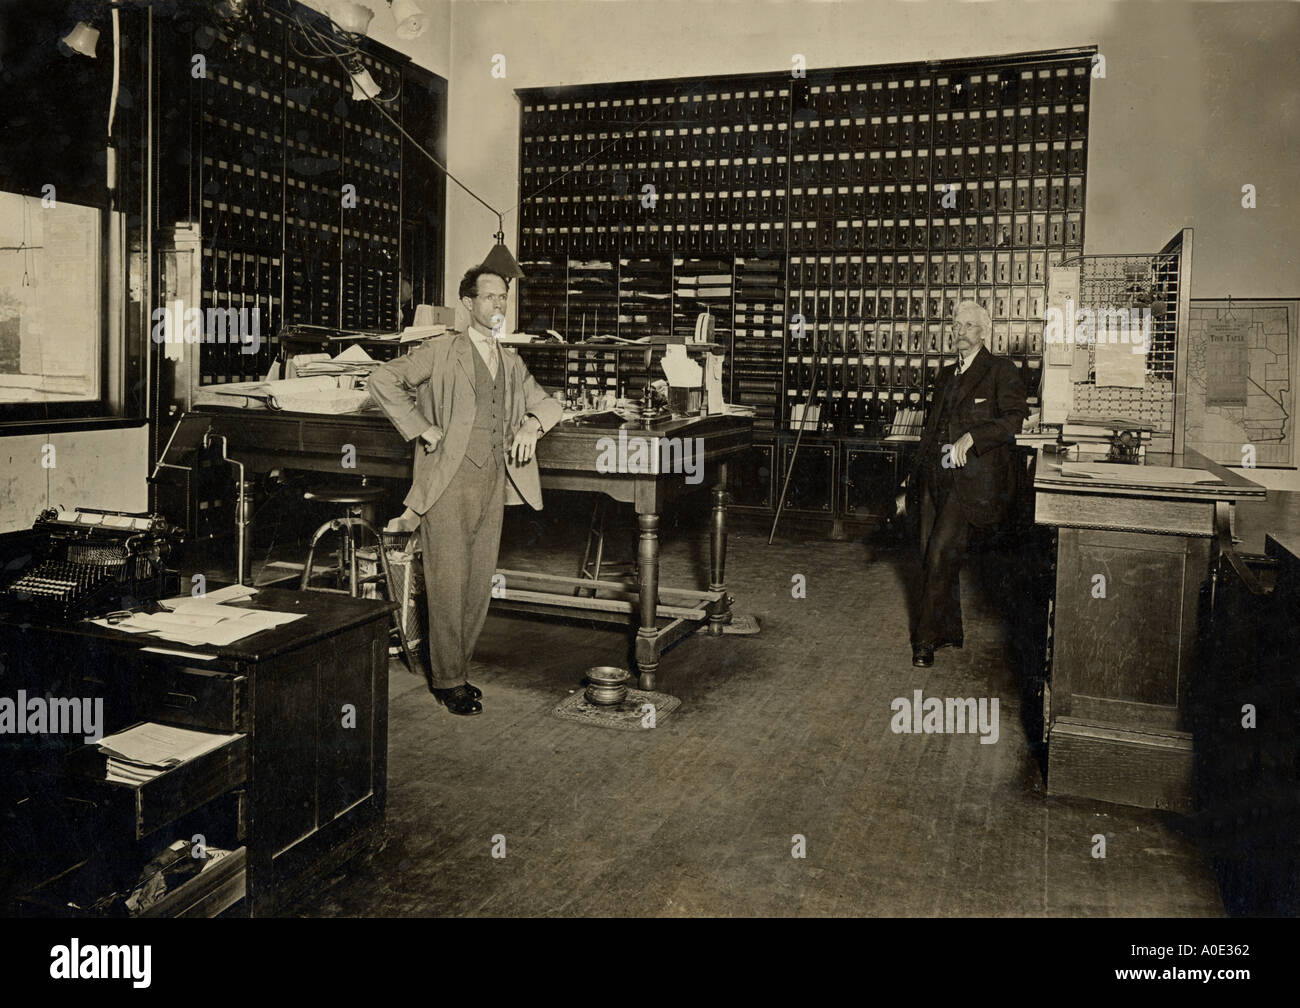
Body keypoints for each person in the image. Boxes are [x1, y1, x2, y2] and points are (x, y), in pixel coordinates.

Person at [368, 266, 563, 715]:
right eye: (490, 296)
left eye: (503, 297)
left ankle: (459, 669)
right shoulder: (440, 351)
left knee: (478, 581)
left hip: (494, 481)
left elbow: (548, 402)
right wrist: (421, 427)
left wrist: (533, 424)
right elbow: (382, 380)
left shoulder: (510, 361)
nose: (498, 304)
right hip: (448, 481)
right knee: (448, 580)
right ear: (468, 303)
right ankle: (447, 679)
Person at [897, 300, 1028, 668]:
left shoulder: (1000, 370)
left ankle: (924, 641)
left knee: (940, 552)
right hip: (934, 474)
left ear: (984, 332)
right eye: (957, 325)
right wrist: (911, 477)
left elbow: (1015, 420)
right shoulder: (945, 375)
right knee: (932, 551)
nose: (960, 332)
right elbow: (930, 430)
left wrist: (973, 437)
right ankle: (949, 630)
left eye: (969, 326)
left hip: (969, 479)